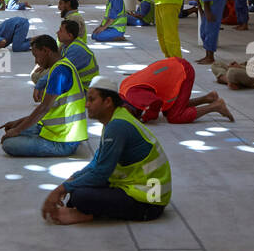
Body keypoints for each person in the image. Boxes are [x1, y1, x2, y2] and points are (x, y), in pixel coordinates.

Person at [40, 75, 172, 225]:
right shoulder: (114, 120)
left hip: (149, 202)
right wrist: (70, 180)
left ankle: (85, 213)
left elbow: (101, 173)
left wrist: (60, 190)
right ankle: (83, 210)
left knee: (80, 196)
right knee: (77, 188)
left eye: (91, 99)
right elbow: (96, 163)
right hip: (137, 189)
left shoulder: (117, 126)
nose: (86, 105)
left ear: (108, 102)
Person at [0, 35, 88, 157]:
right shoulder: (61, 66)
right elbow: (50, 110)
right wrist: (18, 122)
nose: (36, 61)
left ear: (46, 51)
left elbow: (44, 108)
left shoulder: (60, 71)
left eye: (36, 56)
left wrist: (18, 130)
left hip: (64, 140)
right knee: (11, 131)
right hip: (57, 130)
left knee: (9, 144)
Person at [121, 57, 234, 124]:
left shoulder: (132, 96)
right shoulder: (124, 90)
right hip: (174, 65)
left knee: (174, 117)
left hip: (183, 71)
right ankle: (209, 98)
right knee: (169, 109)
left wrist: (146, 117)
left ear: (125, 107)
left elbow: (156, 103)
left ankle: (216, 106)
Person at [59, 18, 99, 87]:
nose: (57, 33)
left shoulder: (76, 49)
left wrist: (40, 84)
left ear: (69, 35)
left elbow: (60, 72)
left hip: (86, 89)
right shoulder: (66, 45)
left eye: (60, 31)